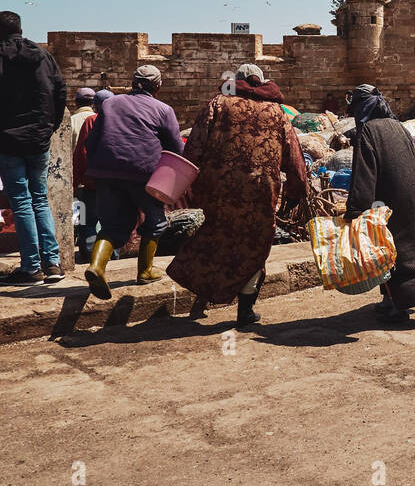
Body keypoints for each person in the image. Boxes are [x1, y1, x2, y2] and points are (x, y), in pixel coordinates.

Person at [167, 63, 308, 326]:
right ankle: (245, 311)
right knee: (254, 246)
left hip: (218, 191)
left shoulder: (217, 104)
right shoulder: (277, 113)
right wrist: (296, 190)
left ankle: (202, 297)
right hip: (260, 193)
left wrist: (183, 184)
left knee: (216, 238)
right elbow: (294, 154)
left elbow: (195, 145)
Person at [0, 11, 66, 284]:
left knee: (21, 203)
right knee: (40, 199)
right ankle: (53, 264)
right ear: (20, 29)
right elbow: (60, 92)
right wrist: (48, 129)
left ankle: (31, 267)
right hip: (38, 140)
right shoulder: (43, 56)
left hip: (7, 141)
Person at [344, 84, 415, 324]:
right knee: (412, 249)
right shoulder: (398, 127)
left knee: (390, 253)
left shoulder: (367, 131)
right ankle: (391, 300)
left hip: (387, 201)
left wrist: (356, 209)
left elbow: (364, 174)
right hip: (412, 198)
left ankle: (397, 307)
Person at [81, 65, 181, 299]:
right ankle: (145, 270)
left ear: (132, 82)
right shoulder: (164, 109)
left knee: (113, 226)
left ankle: (96, 267)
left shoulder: (109, 103)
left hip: (106, 172)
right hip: (143, 174)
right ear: (158, 86)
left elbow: (91, 142)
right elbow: (176, 149)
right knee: (155, 222)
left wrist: (99, 169)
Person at [72, 89, 112, 262]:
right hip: (115, 183)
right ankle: (111, 255)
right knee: (110, 222)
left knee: (86, 220)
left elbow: (81, 153)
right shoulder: (122, 120)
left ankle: (89, 254)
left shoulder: (89, 121)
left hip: (89, 181)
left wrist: (74, 181)